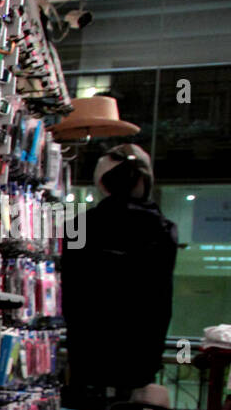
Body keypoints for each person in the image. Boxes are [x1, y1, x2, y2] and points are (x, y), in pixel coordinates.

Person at [62, 145, 179, 396]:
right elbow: (161, 300)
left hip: (88, 350)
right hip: (140, 353)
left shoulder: (79, 226)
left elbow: (70, 293)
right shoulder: (164, 229)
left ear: (103, 183)